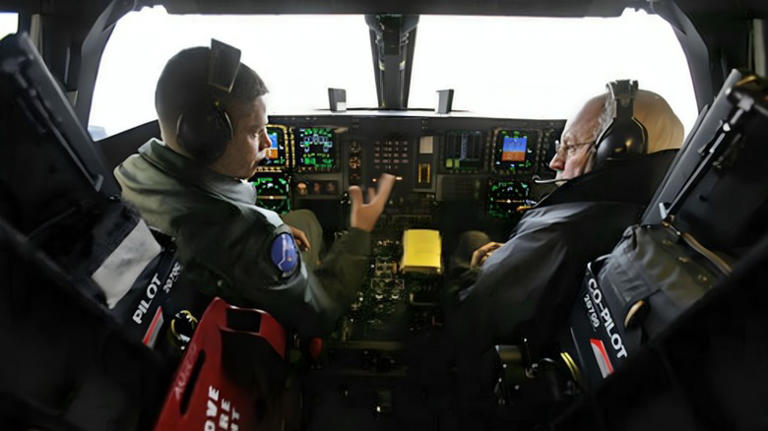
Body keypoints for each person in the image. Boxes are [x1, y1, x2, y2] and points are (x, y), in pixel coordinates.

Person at [114, 45, 394, 337]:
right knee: (308, 220)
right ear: (206, 137)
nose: (268, 146)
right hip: (249, 344)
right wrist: (361, 230)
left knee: (300, 220)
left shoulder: (131, 169)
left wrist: (276, 227)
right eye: (253, 132)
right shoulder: (252, 234)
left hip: (194, 305)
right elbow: (318, 312)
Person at [445, 85, 684, 428]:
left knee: (471, 239)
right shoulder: (663, 215)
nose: (554, 161)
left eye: (569, 147)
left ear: (614, 151)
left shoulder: (561, 233)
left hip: (505, 381)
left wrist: (472, 270)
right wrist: (515, 259)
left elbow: (472, 314)